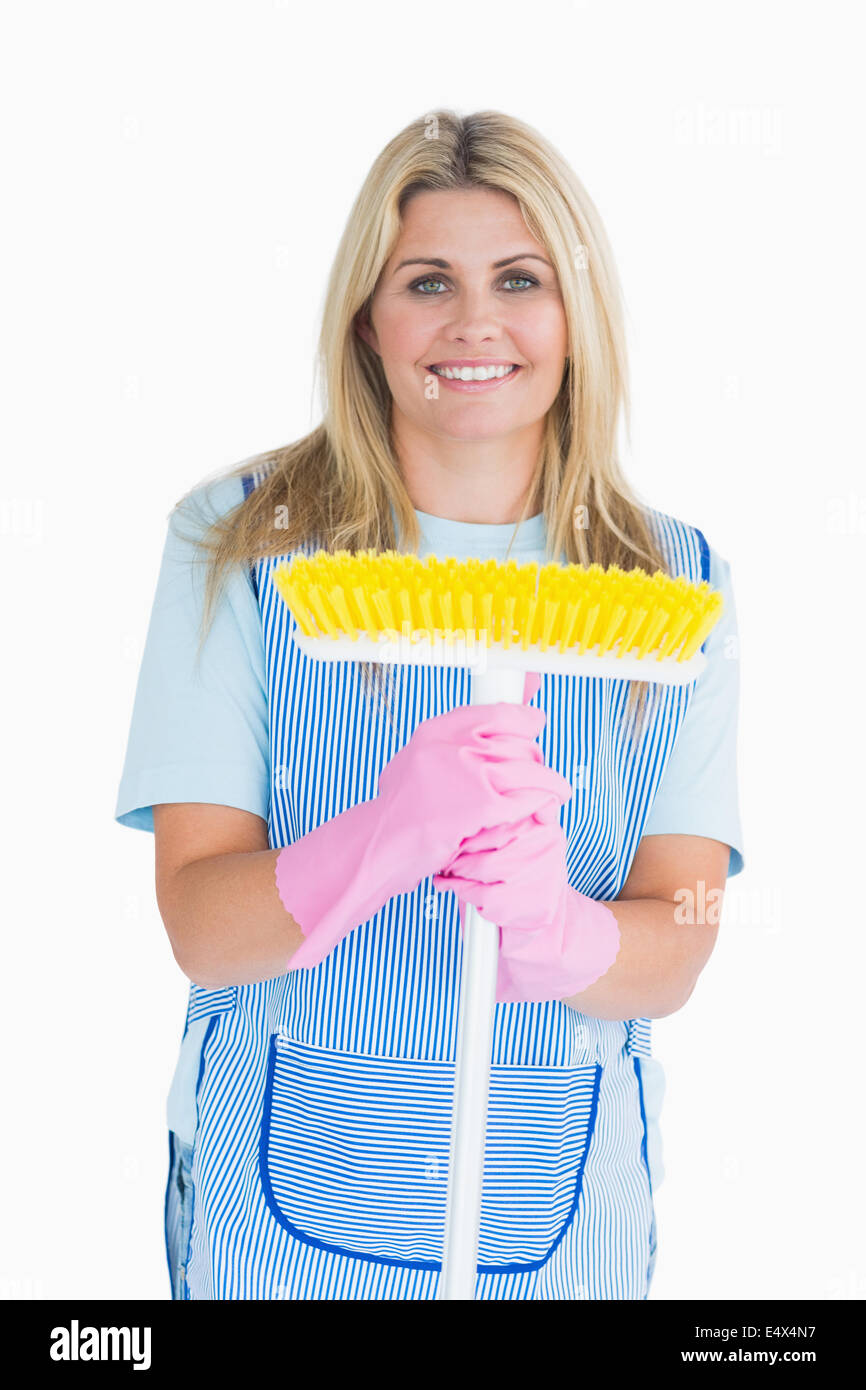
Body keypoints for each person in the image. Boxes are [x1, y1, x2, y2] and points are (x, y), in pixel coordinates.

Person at [114, 108, 744, 1301]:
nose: (474, 323)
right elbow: (200, 924)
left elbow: (691, 915)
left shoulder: (672, 580)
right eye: (425, 282)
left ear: (576, 315)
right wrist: (381, 832)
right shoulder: (240, 545)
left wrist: (569, 930)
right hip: (275, 1204)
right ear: (367, 317)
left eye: (520, 279)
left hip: (562, 1211)